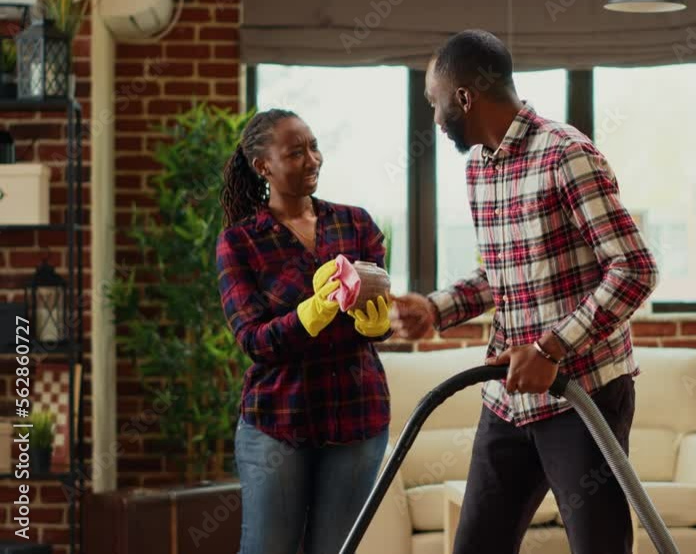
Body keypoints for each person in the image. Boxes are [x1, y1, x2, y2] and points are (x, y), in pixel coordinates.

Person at [391, 30, 659, 554]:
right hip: (508, 398)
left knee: (598, 548)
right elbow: (505, 274)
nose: (436, 119)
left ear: (464, 97)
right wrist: (435, 308)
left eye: (435, 102)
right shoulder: (479, 169)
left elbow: (634, 269)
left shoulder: (567, 155)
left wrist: (551, 348)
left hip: (583, 396)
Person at [215, 108, 393, 554]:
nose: (312, 158)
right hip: (279, 423)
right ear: (264, 167)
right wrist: (312, 312)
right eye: (296, 152)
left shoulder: (356, 224)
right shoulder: (240, 242)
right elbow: (253, 340)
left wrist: (377, 321)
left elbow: (377, 308)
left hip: (358, 416)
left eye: (314, 146)